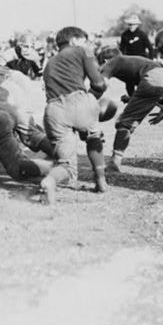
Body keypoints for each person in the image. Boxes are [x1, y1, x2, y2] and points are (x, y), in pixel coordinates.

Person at [39, 26, 109, 204]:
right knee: (94, 134)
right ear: (74, 41)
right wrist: (91, 99)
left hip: (53, 110)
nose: (86, 43)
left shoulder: (49, 63)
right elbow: (99, 84)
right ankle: (101, 179)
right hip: (77, 101)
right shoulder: (81, 50)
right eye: (83, 40)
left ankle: (50, 181)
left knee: (67, 166)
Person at [97, 46, 163, 173]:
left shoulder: (114, 62)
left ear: (106, 60)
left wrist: (87, 102)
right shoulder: (130, 61)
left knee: (124, 122)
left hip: (154, 79)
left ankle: (115, 161)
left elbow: (99, 85)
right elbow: (136, 84)